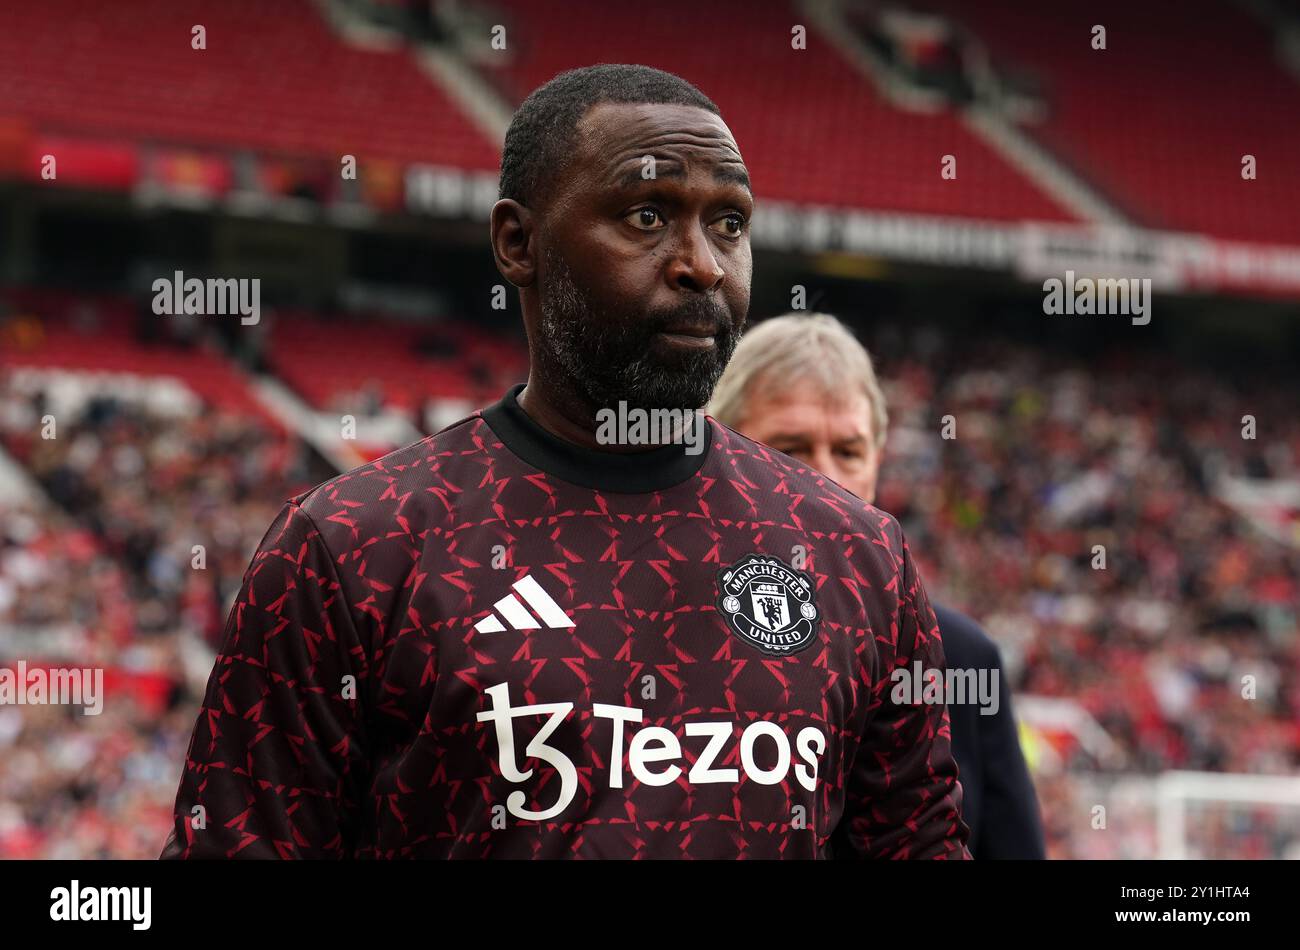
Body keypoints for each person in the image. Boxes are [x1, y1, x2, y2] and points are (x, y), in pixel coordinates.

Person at [161, 65, 969, 859]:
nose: (703, 264)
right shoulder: (352, 550)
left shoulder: (855, 557)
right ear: (519, 243)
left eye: (729, 222)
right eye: (648, 217)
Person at [708, 312, 1045, 858]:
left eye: (848, 451)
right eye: (790, 449)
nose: (826, 480)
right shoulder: (673, 632)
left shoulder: (960, 657)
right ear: (720, 458)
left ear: (879, 461)